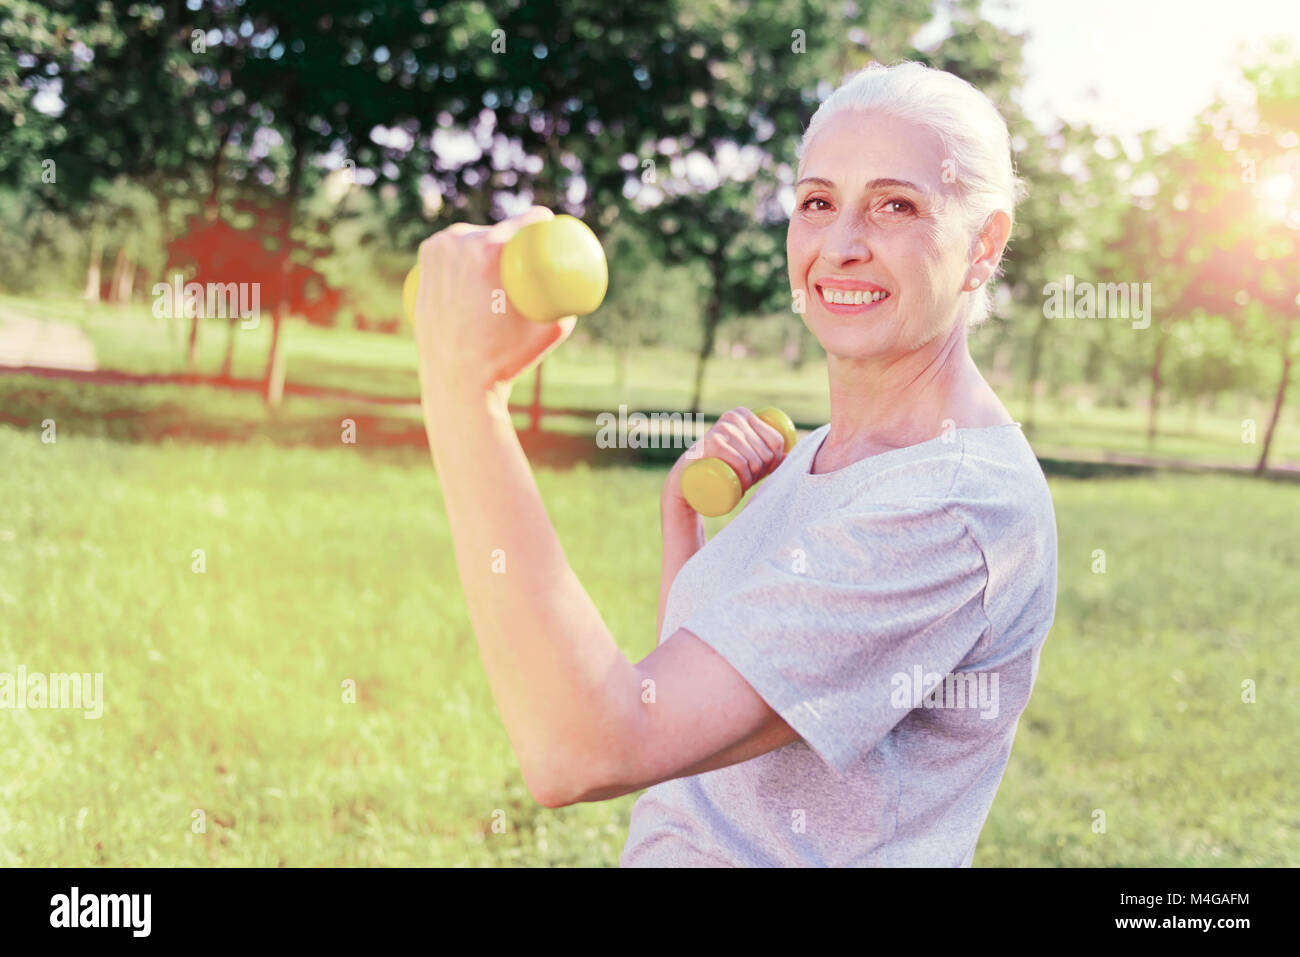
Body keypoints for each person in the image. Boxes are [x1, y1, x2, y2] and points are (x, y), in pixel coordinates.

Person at [411, 59, 1057, 868]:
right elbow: (691, 713)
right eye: (818, 203)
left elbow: (584, 749)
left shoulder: (952, 508)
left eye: (896, 205)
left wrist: (463, 392)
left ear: (983, 246)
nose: (842, 245)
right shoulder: (826, 454)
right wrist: (681, 518)